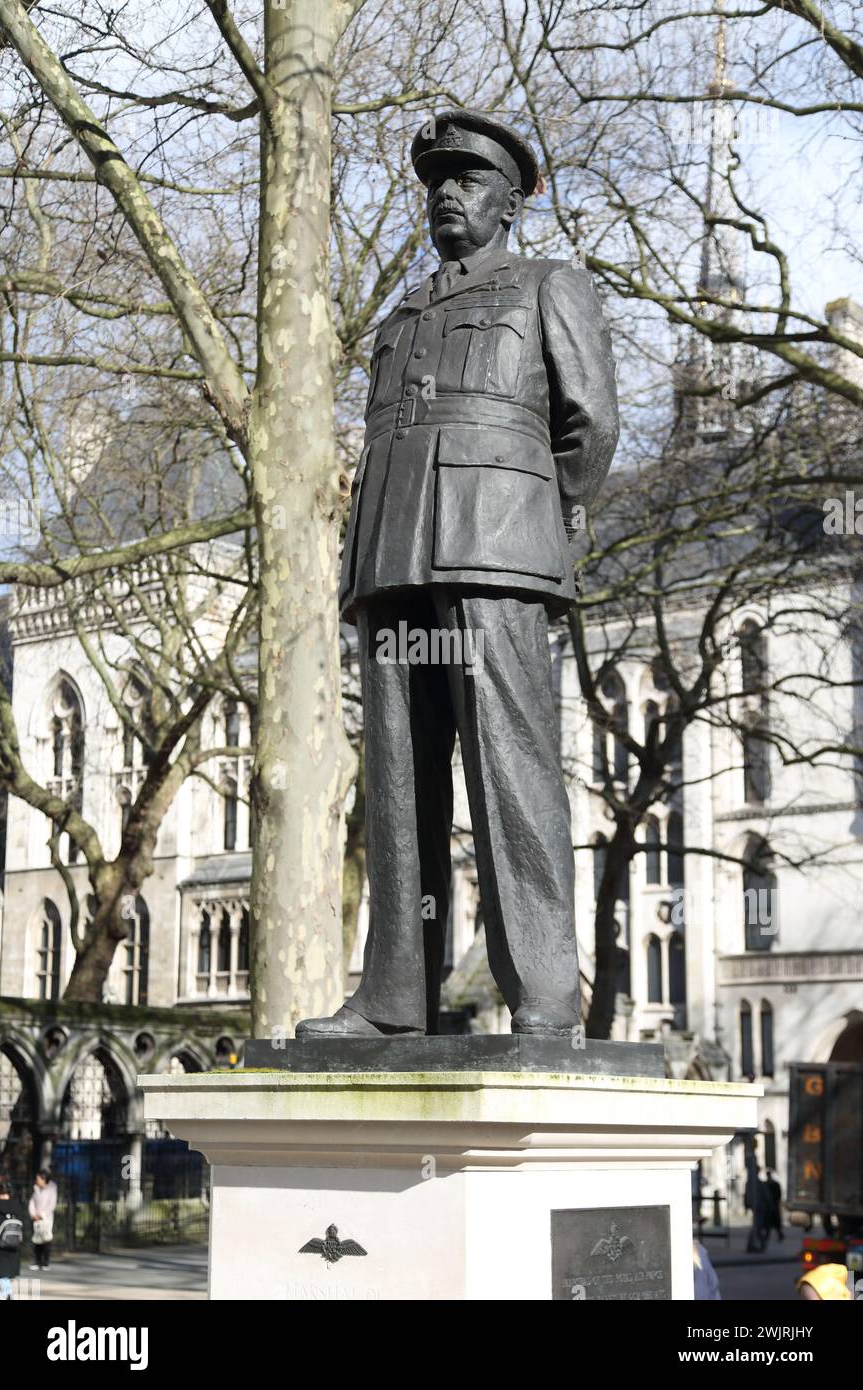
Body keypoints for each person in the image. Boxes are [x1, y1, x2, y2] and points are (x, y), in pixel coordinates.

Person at [297, 110, 618, 1038]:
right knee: (397, 777)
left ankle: (547, 994)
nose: (447, 193)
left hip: (499, 545)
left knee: (510, 762)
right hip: (395, 554)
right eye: (436, 179)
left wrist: (538, 521)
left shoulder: (548, 286)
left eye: (468, 180)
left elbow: (589, 424)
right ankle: (395, 996)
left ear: (509, 203)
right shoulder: (398, 323)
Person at [0, 1175, 25, 1301]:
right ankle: (6, 1293)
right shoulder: (16, 1206)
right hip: (13, 1248)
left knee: (0, 1275)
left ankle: (5, 1294)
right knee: (4, 1275)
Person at [28, 1168, 56, 1271]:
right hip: (36, 1219)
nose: (37, 1180)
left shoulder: (52, 1189)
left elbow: (51, 1205)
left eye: (38, 1178)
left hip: (46, 1219)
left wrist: (42, 1215)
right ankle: (37, 1261)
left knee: (46, 1239)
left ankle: (45, 1262)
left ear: (44, 1179)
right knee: (36, 1240)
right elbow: (32, 1202)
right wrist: (33, 1214)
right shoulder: (36, 1189)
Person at [763, 1168, 784, 1244]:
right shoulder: (767, 1184)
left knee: (774, 1222)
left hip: (773, 1205)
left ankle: (778, 1235)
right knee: (770, 1223)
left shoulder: (772, 1184)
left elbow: (779, 1194)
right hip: (770, 1206)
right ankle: (770, 1236)